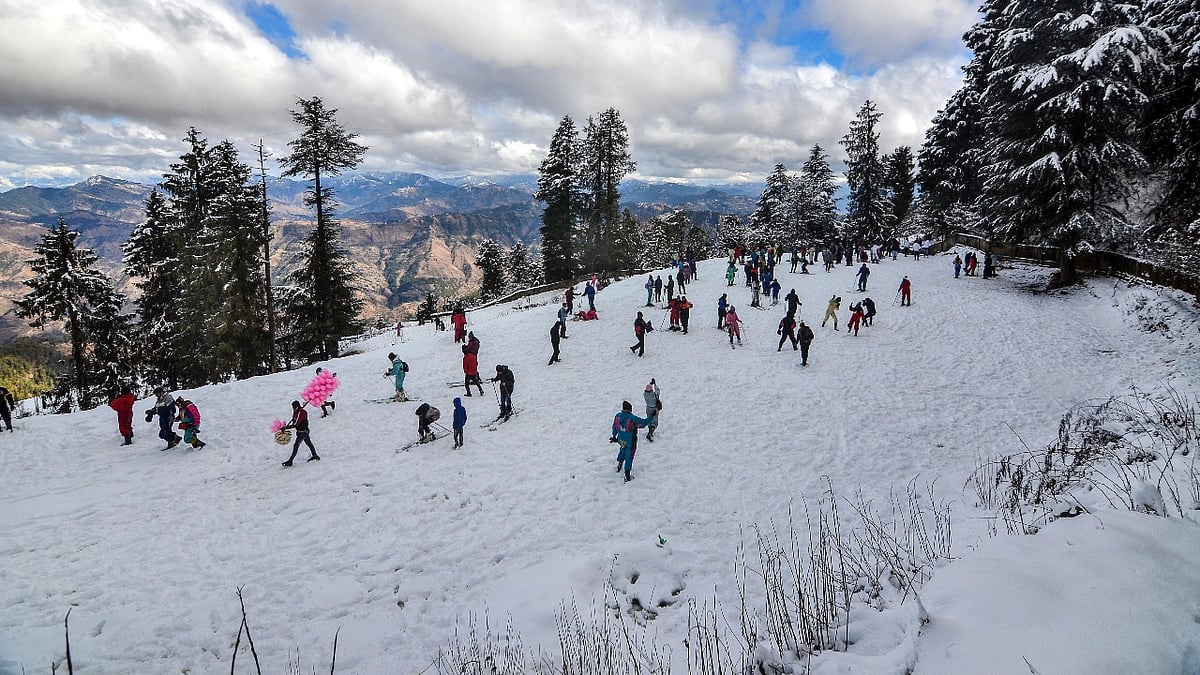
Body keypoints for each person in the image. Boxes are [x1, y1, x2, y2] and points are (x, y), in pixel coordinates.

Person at [610, 400, 650, 482]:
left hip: (621, 439)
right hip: (631, 441)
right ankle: (627, 475)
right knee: (629, 456)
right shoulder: (632, 418)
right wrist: (651, 416)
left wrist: (614, 436)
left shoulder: (618, 416)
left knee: (622, 450)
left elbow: (614, 426)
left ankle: (620, 464)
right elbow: (644, 423)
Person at [282, 400, 319, 465]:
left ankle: (290, 461)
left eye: (293, 407)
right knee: (309, 443)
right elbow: (294, 421)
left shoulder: (301, 413)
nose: (293, 408)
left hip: (303, 432)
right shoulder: (297, 412)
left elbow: (296, 424)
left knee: (296, 446)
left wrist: (286, 427)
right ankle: (315, 455)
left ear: (296, 406)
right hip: (303, 431)